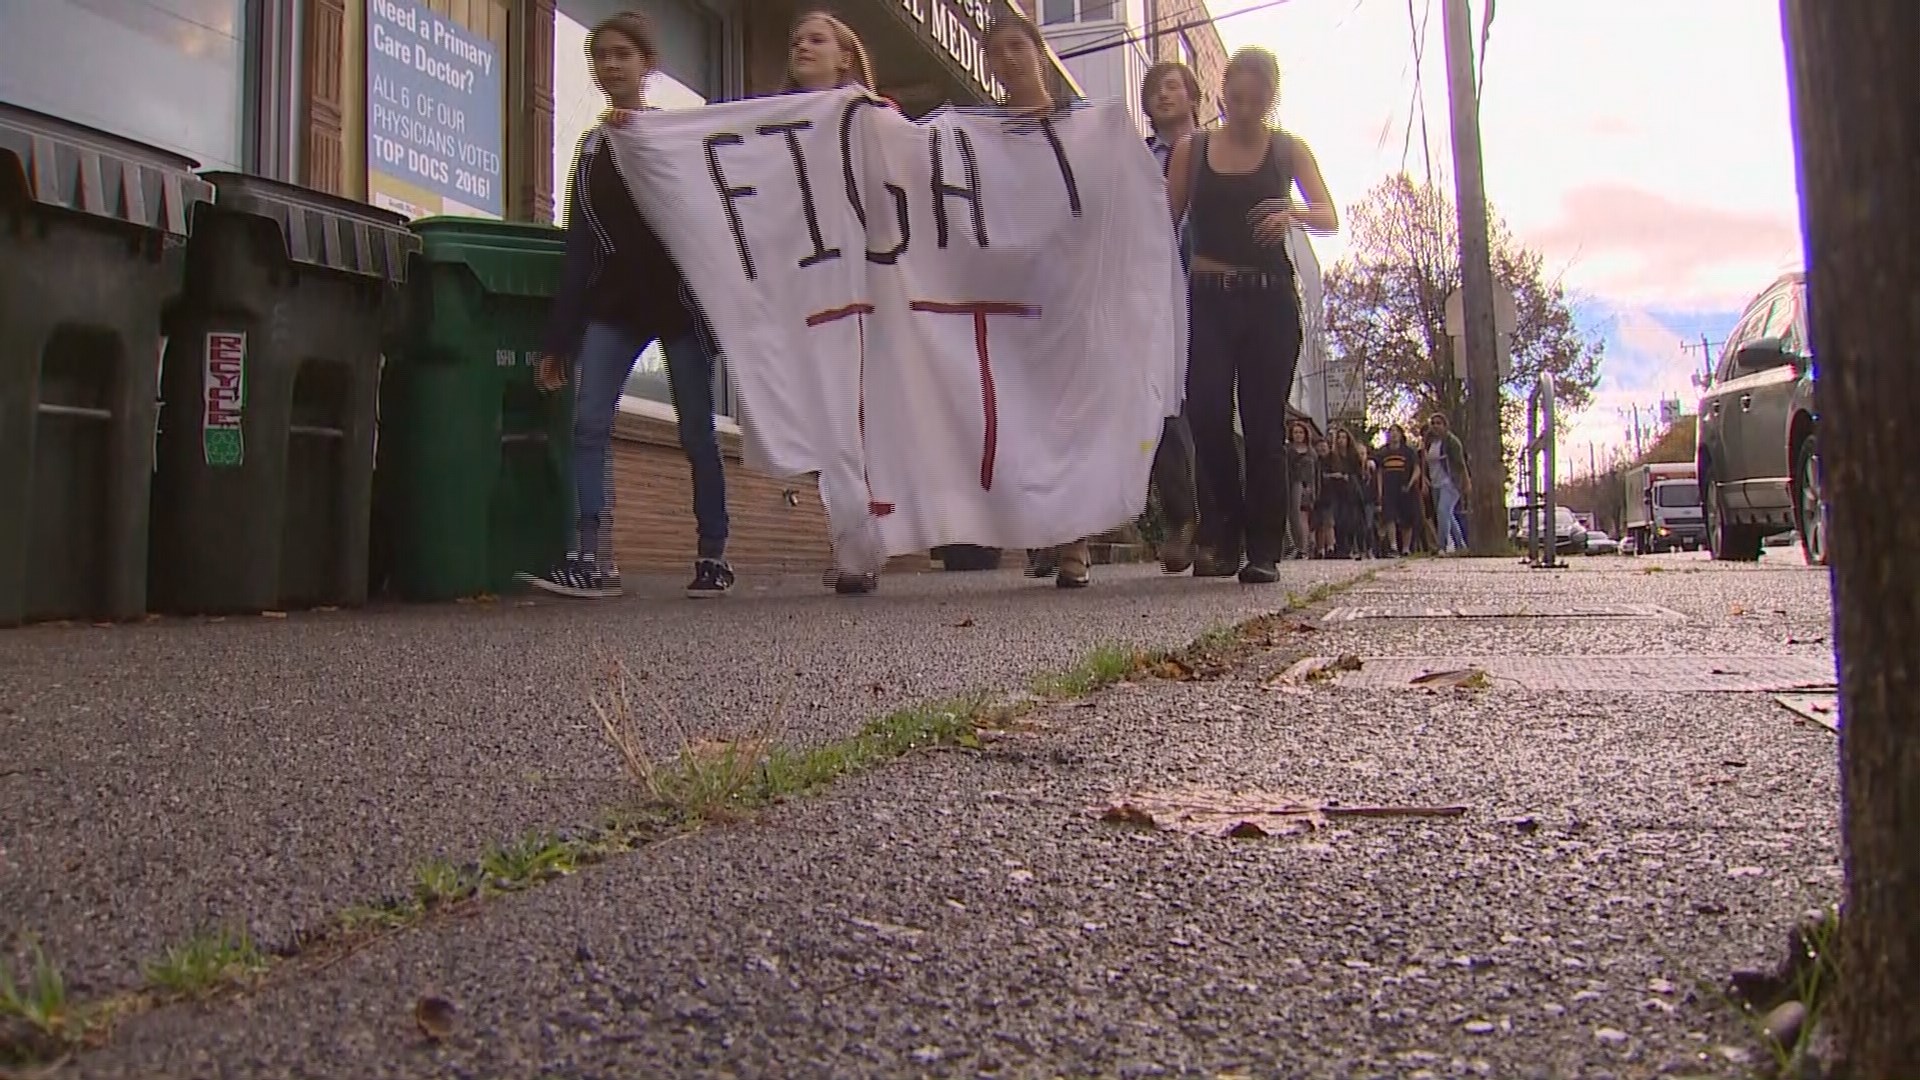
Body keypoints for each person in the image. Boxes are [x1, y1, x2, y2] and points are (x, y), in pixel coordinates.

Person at [521, 11, 734, 600]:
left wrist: (640, 135)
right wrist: (558, 342)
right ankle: (588, 553)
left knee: (697, 430)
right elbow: (578, 250)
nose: (611, 65)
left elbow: (708, 216)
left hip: (679, 309)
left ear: (648, 65)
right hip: (615, 309)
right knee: (588, 422)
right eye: (600, 57)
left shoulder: (671, 138)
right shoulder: (590, 151)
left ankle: (713, 554)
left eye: (623, 55)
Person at [1165, 47, 1338, 583]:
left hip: (1269, 299)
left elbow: (1329, 215)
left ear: (1271, 99)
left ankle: (1264, 547)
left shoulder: (1287, 151)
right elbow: (1163, 218)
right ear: (1222, 94)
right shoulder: (1193, 151)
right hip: (1208, 295)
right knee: (1208, 413)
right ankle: (1226, 529)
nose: (1243, 107)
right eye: (1235, 96)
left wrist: (1292, 214)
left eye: (1255, 98)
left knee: (1264, 422)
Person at [984, 15, 1099, 590]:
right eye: (994, 50)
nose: (1005, 58)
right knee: (1021, 414)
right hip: (1011, 291)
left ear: (1039, 53)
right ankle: (1043, 531)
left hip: (1069, 288)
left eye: (1015, 46)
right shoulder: (980, 130)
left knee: (1066, 412)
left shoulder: (1081, 124)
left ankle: (1075, 540)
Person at [781, 11, 889, 596]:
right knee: (830, 409)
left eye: (816, 39)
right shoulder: (774, 124)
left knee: (860, 410)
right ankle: (852, 539)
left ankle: (863, 540)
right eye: (797, 40)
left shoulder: (869, 118)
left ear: (845, 56)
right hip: (811, 282)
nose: (802, 46)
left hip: (869, 283)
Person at [1140, 60, 1207, 574]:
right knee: (1163, 408)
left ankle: (1225, 520)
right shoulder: (1137, 159)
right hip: (1153, 296)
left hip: (1209, 290)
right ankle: (1182, 519)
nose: (1163, 95)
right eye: (1154, 89)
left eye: (1172, 86)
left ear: (1192, 95)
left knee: (1207, 410)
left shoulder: (1216, 151)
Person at [1423, 412, 1471, 553]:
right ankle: (1460, 545)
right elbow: (1425, 462)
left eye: (1439, 423)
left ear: (1445, 425)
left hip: (1450, 481)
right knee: (1447, 514)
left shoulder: (1451, 441)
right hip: (1435, 482)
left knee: (1442, 511)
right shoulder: (1429, 442)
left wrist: (1466, 481)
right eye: (1433, 423)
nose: (1436, 426)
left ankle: (1441, 546)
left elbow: (1461, 463)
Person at [1373, 424, 1421, 555]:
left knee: (1407, 519)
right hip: (1389, 489)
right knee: (1390, 517)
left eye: (1396, 431)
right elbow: (1379, 471)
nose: (1393, 434)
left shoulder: (1408, 451)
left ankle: (1406, 548)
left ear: (1401, 434)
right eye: (1391, 432)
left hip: (1405, 488)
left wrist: (1411, 483)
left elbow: (1417, 469)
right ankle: (1393, 546)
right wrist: (1380, 490)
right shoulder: (1383, 452)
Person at [1283, 420, 1318, 559]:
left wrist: (1311, 488)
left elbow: (1314, 473)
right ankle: (1292, 546)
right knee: (1289, 515)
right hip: (1288, 482)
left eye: (1300, 432)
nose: (1298, 435)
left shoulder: (1311, 453)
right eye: (1295, 432)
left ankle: (1302, 547)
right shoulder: (1287, 450)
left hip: (1303, 485)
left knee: (1300, 516)